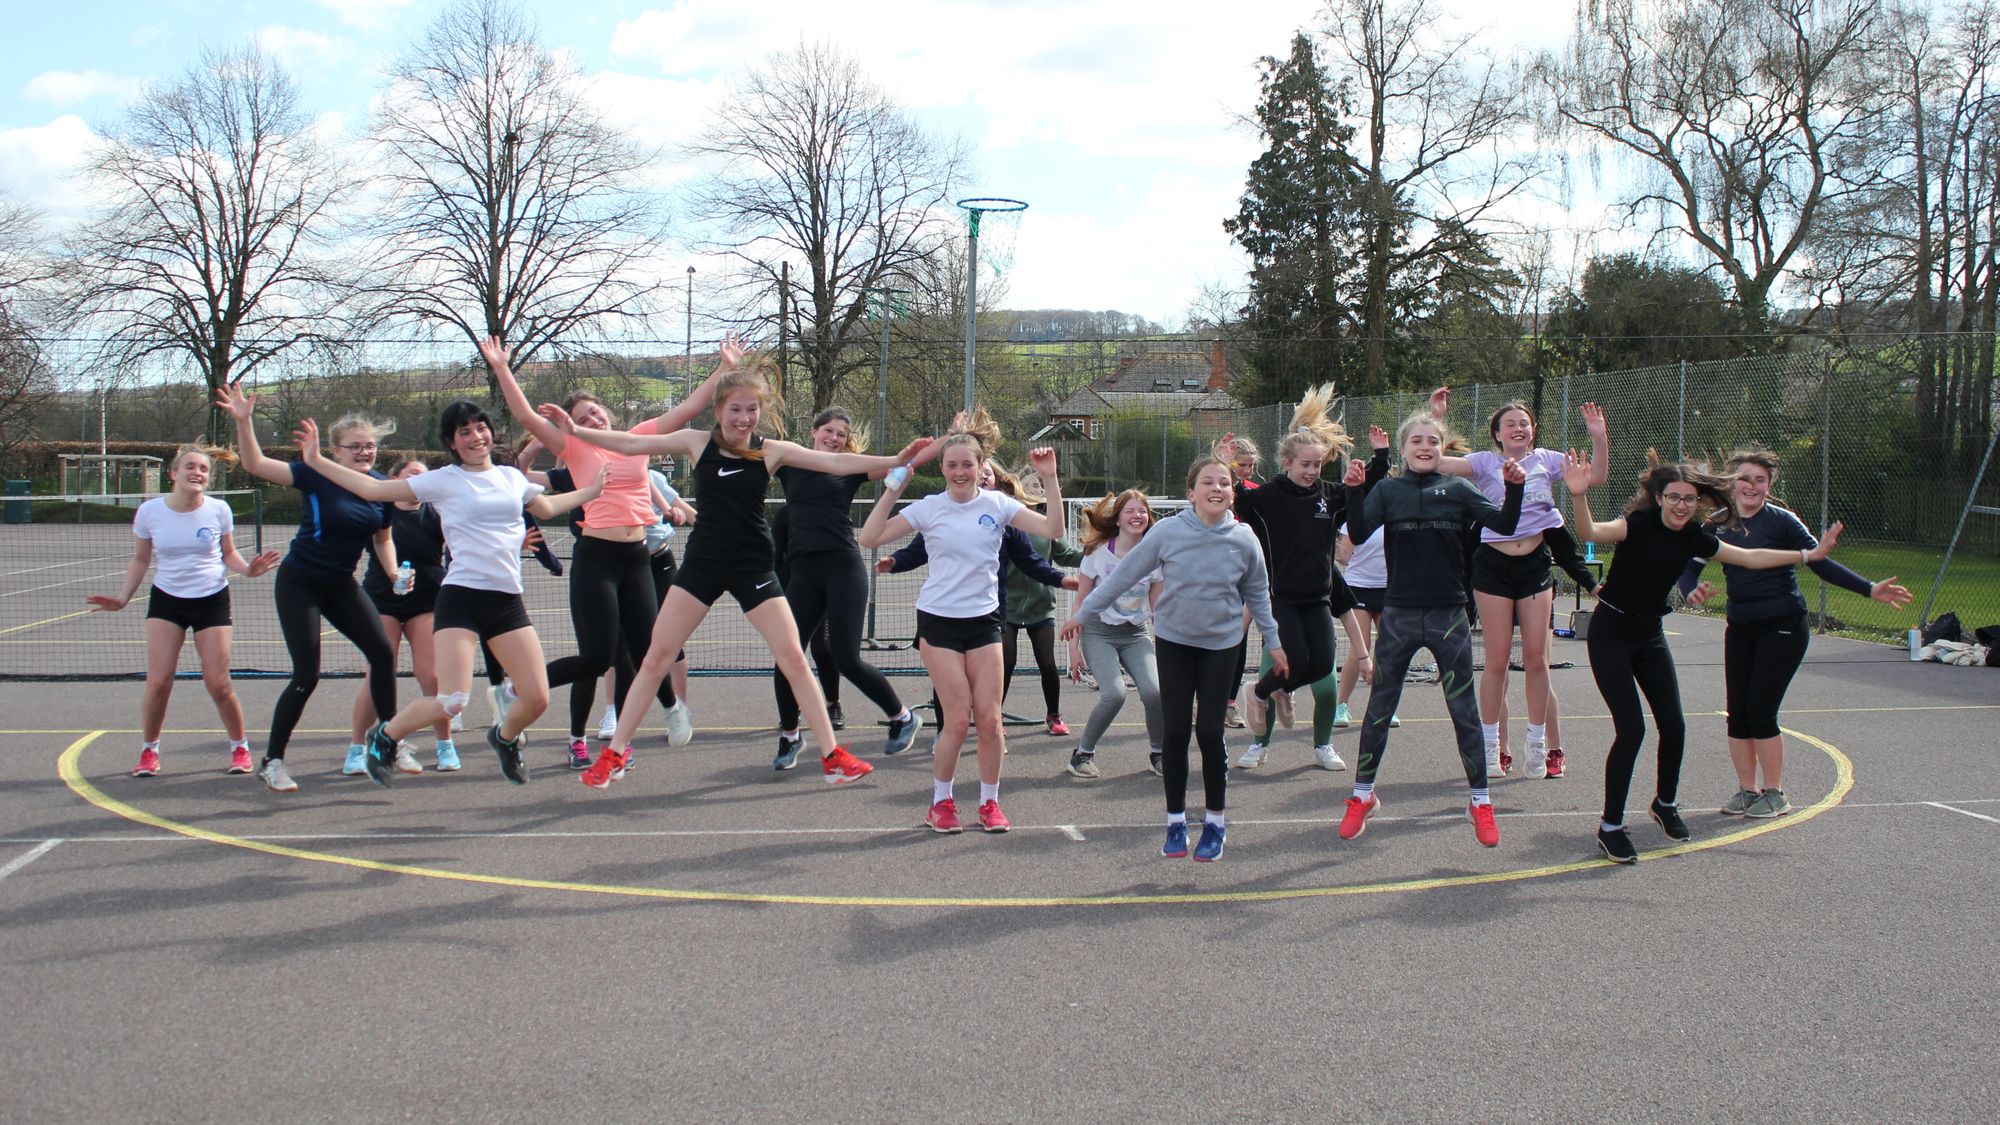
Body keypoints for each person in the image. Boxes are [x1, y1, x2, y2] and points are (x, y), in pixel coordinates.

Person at [560, 355, 936, 789]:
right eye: (735, 409)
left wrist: (897, 458)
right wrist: (575, 431)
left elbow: (836, 464)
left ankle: (832, 755)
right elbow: (627, 444)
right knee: (656, 655)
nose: (743, 417)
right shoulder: (696, 442)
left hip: (753, 564)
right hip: (703, 563)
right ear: (718, 410)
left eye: (751, 409)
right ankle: (616, 752)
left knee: (794, 656)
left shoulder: (770, 449)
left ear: (761, 411)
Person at [1563, 405, 1847, 863]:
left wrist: (1806, 557)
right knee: (1632, 730)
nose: (1681, 505)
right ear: (1659, 498)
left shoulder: (1695, 536)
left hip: (1649, 635)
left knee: (1674, 724)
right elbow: (1590, 530)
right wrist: (1578, 496)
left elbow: (1750, 558)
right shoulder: (1635, 526)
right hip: (1612, 632)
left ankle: (1665, 804)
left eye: (1690, 499)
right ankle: (1610, 826)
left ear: (1698, 503)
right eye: (1674, 497)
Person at [298, 403, 605, 786]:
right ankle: (386, 736)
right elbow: (372, 488)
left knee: (537, 698)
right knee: (451, 700)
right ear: (452, 443)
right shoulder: (444, 480)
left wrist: (591, 491)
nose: (476, 436)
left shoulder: (511, 478)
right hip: (460, 597)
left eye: (481, 428)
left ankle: (504, 737)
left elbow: (544, 506)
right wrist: (315, 461)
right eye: (465, 432)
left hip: (506, 601)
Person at [481, 336, 728, 766]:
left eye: (595, 410)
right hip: (597, 559)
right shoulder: (573, 447)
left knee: (650, 648)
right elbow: (523, 414)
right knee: (597, 658)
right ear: (572, 425)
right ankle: (514, 692)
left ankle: (667, 713)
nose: (591, 416)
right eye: (581, 415)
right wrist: (502, 368)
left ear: (606, 414)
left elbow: (688, 408)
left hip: (638, 559)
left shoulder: (638, 438)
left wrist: (724, 368)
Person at [1062, 457, 1287, 861]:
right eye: (1208, 482)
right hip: (1174, 643)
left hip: (1221, 646)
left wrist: (1273, 640)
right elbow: (1121, 577)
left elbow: (1258, 593)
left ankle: (1215, 823)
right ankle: (1176, 822)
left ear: (1233, 494)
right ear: (1191, 493)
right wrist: (1082, 614)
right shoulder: (1167, 532)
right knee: (1177, 731)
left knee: (1209, 732)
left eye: (1224, 483)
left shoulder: (1244, 538)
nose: (1217, 488)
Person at [1680, 446, 1911, 819]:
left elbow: (1821, 563)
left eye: (1760, 479)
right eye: (1744, 479)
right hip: (1740, 626)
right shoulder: (1716, 524)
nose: (1752, 486)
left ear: (1769, 485)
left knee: (1760, 710)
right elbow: (1688, 569)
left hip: (1783, 624)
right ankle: (1747, 790)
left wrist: (1869, 588)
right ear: (1731, 483)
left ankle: (1775, 792)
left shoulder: (1782, 522)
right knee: (1737, 713)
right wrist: (1690, 589)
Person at [858, 424, 1064, 833]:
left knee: (989, 720)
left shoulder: (999, 505)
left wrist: (1051, 479)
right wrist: (893, 490)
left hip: (986, 621)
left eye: (967, 464)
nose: (959, 471)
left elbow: (1053, 530)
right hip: (938, 623)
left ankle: (989, 803)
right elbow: (869, 537)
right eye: (951, 465)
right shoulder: (930, 507)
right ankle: (941, 803)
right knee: (956, 719)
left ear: (980, 466)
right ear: (943, 468)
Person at [1337, 411, 1525, 848]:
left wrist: (1514, 489)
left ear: (1443, 449)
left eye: (1433, 441)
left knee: (1463, 712)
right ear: (1403, 449)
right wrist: (1352, 490)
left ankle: (1480, 801)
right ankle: (1362, 795)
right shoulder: (1388, 490)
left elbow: (1505, 524)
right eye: (1416, 440)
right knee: (1379, 709)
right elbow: (1361, 533)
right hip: (1399, 615)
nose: (1425, 447)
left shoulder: (1459, 489)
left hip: (1448, 616)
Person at [216, 387, 402, 792]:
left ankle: (387, 740)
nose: (365, 452)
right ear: (335, 450)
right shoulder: (314, 474)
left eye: (370, 446)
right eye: (356, 447)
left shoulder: (380, 488)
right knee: (307, 675)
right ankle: (273, 761)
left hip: (341, 584)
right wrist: (244, 421)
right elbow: (255, 463)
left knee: (383, 654)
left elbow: (383, 538)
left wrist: (391, 574)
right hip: (300, 582)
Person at [1428, 387, 1608, 780]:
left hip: (1535, 567)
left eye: (1524, 423)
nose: (1518, 428)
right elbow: (1437, 463)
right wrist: (1437, 418)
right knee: (1495, 662)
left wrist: (1598, 435)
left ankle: (1538, 746)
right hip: (1492, 567)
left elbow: (1594, 475)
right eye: (1510, 424)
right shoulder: (1484, 463)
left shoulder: (1546, 460)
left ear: (1534, 429)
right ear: (1497, 434)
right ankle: (1491, 749)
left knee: (1536, 660)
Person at [88, 445, 281, 779]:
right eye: (190, 467)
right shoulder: (150, 512)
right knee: (159, 682)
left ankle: (239, 747)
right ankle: (149, 751)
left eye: (203, 469)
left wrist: (249, 569)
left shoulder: (219, 510)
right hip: (167, 601)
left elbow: (229, 554)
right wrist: (122, 597)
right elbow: (141, 559)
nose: (197, 473)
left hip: (212, 599)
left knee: (218, 684)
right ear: (173, 473)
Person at [1217, 388, 1382, 772]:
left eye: (1317, 465)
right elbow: (1236, 497)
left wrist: (1377, 460)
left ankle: (1274, 695)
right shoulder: (1271, 495)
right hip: (1282, 599)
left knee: (1322, 662)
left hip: (1318, 599)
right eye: (1305, 464)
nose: (1311, 471)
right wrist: (1224, 464)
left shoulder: (1326, 494)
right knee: (1296, 659)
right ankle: (1260, 695)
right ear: (1288, 462)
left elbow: (1362, 487)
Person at [768, 407, 925, 767]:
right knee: (787, 656)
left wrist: (947, 438)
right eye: (828, 431)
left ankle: (901, 717)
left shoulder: (850, 468)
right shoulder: (791, 462)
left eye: (841, 434)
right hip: (804, 570)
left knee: (846, 657)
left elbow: (904, 463)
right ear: (813, 431)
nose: (834, 438)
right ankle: (789, 737)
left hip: (843, 567)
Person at [348, 459, 459, 773]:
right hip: (382, 601)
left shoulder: (436, 514)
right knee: (379, 673)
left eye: (425, 477)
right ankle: (356, 748)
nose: (419, 480)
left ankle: (445, 745)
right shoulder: (381, 511)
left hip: (426, 601)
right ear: (396, 478)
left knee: (433, 676)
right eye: (412, 473)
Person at [1062, 489, 1165, 779]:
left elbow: (1157, 607)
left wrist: (1173, 646)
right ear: (1118, 518)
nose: (1137, 516)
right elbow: (1081, 601)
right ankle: (1082, 754)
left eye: (1142, 511)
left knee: (1154, 692)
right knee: (1115, 693)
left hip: (1135, 633)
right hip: (1098, 630)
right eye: (1130, 511)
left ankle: (1159, 754)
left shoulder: (1154, 556)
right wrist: (1074, 649)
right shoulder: (1097, 553)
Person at [1000, 460, 1083, 735]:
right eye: (1031, 484)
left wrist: (1095, 551)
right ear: (1018, 490)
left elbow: (1067, 555)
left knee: (1047, 663)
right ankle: (992, 715)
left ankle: (1054, 715)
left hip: (1040, 607)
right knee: (1007, 661)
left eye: (1040, 485)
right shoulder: (1008, 522)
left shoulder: (1048, 526)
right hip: (1007, 607)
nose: (1036, 489)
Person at [1332, 520, 1401, 734]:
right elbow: (1343, 558)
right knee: (1359, 650)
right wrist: (1336, 547)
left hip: (1388, 589)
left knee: (1389, 651)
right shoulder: (1353, 520)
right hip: (1357, 588)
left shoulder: (1393, 515)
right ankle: (1341, 706)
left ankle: (1384, 707)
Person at [1222, 437, 1263, 729]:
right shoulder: (1218, 489)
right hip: (1215, 572)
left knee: (1239, 637)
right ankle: (1204, 699)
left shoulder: (1256, 493)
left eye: (1250, 465)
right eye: (1241, 465)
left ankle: (1230, 702)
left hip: (1243, 575)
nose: (1246, 470)